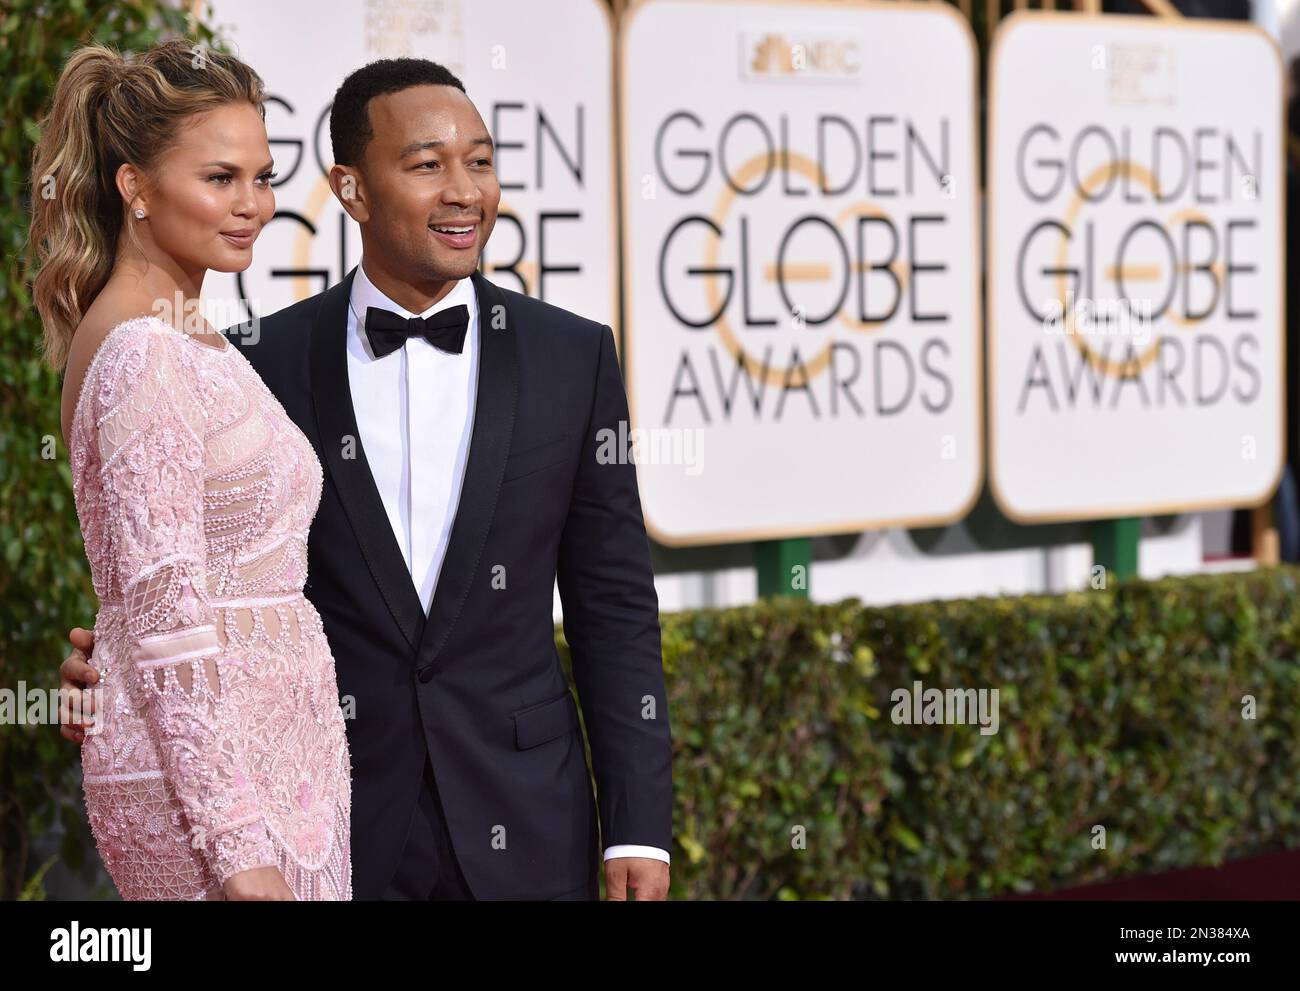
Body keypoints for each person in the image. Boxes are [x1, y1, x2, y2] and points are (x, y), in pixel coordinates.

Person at [61, 56, 674, 900]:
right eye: (427, 164)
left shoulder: (574, 358)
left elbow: (614, 604)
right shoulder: (258, 363)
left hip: (529, 822)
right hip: (328, 816)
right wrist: (118, 653)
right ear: (350, 189)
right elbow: (175, 563)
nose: (464, 190)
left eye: (481, 161)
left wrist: (639, 824)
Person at [36, 41, 351, 900]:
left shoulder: (186, 332)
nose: (252, 205)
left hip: (274, 763)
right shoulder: (143, 350)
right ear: (134, 186)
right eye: (220, 179)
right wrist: (236, 847)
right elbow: (169, 607)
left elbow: (162, 578)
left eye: (262, 176)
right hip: (213, 795)